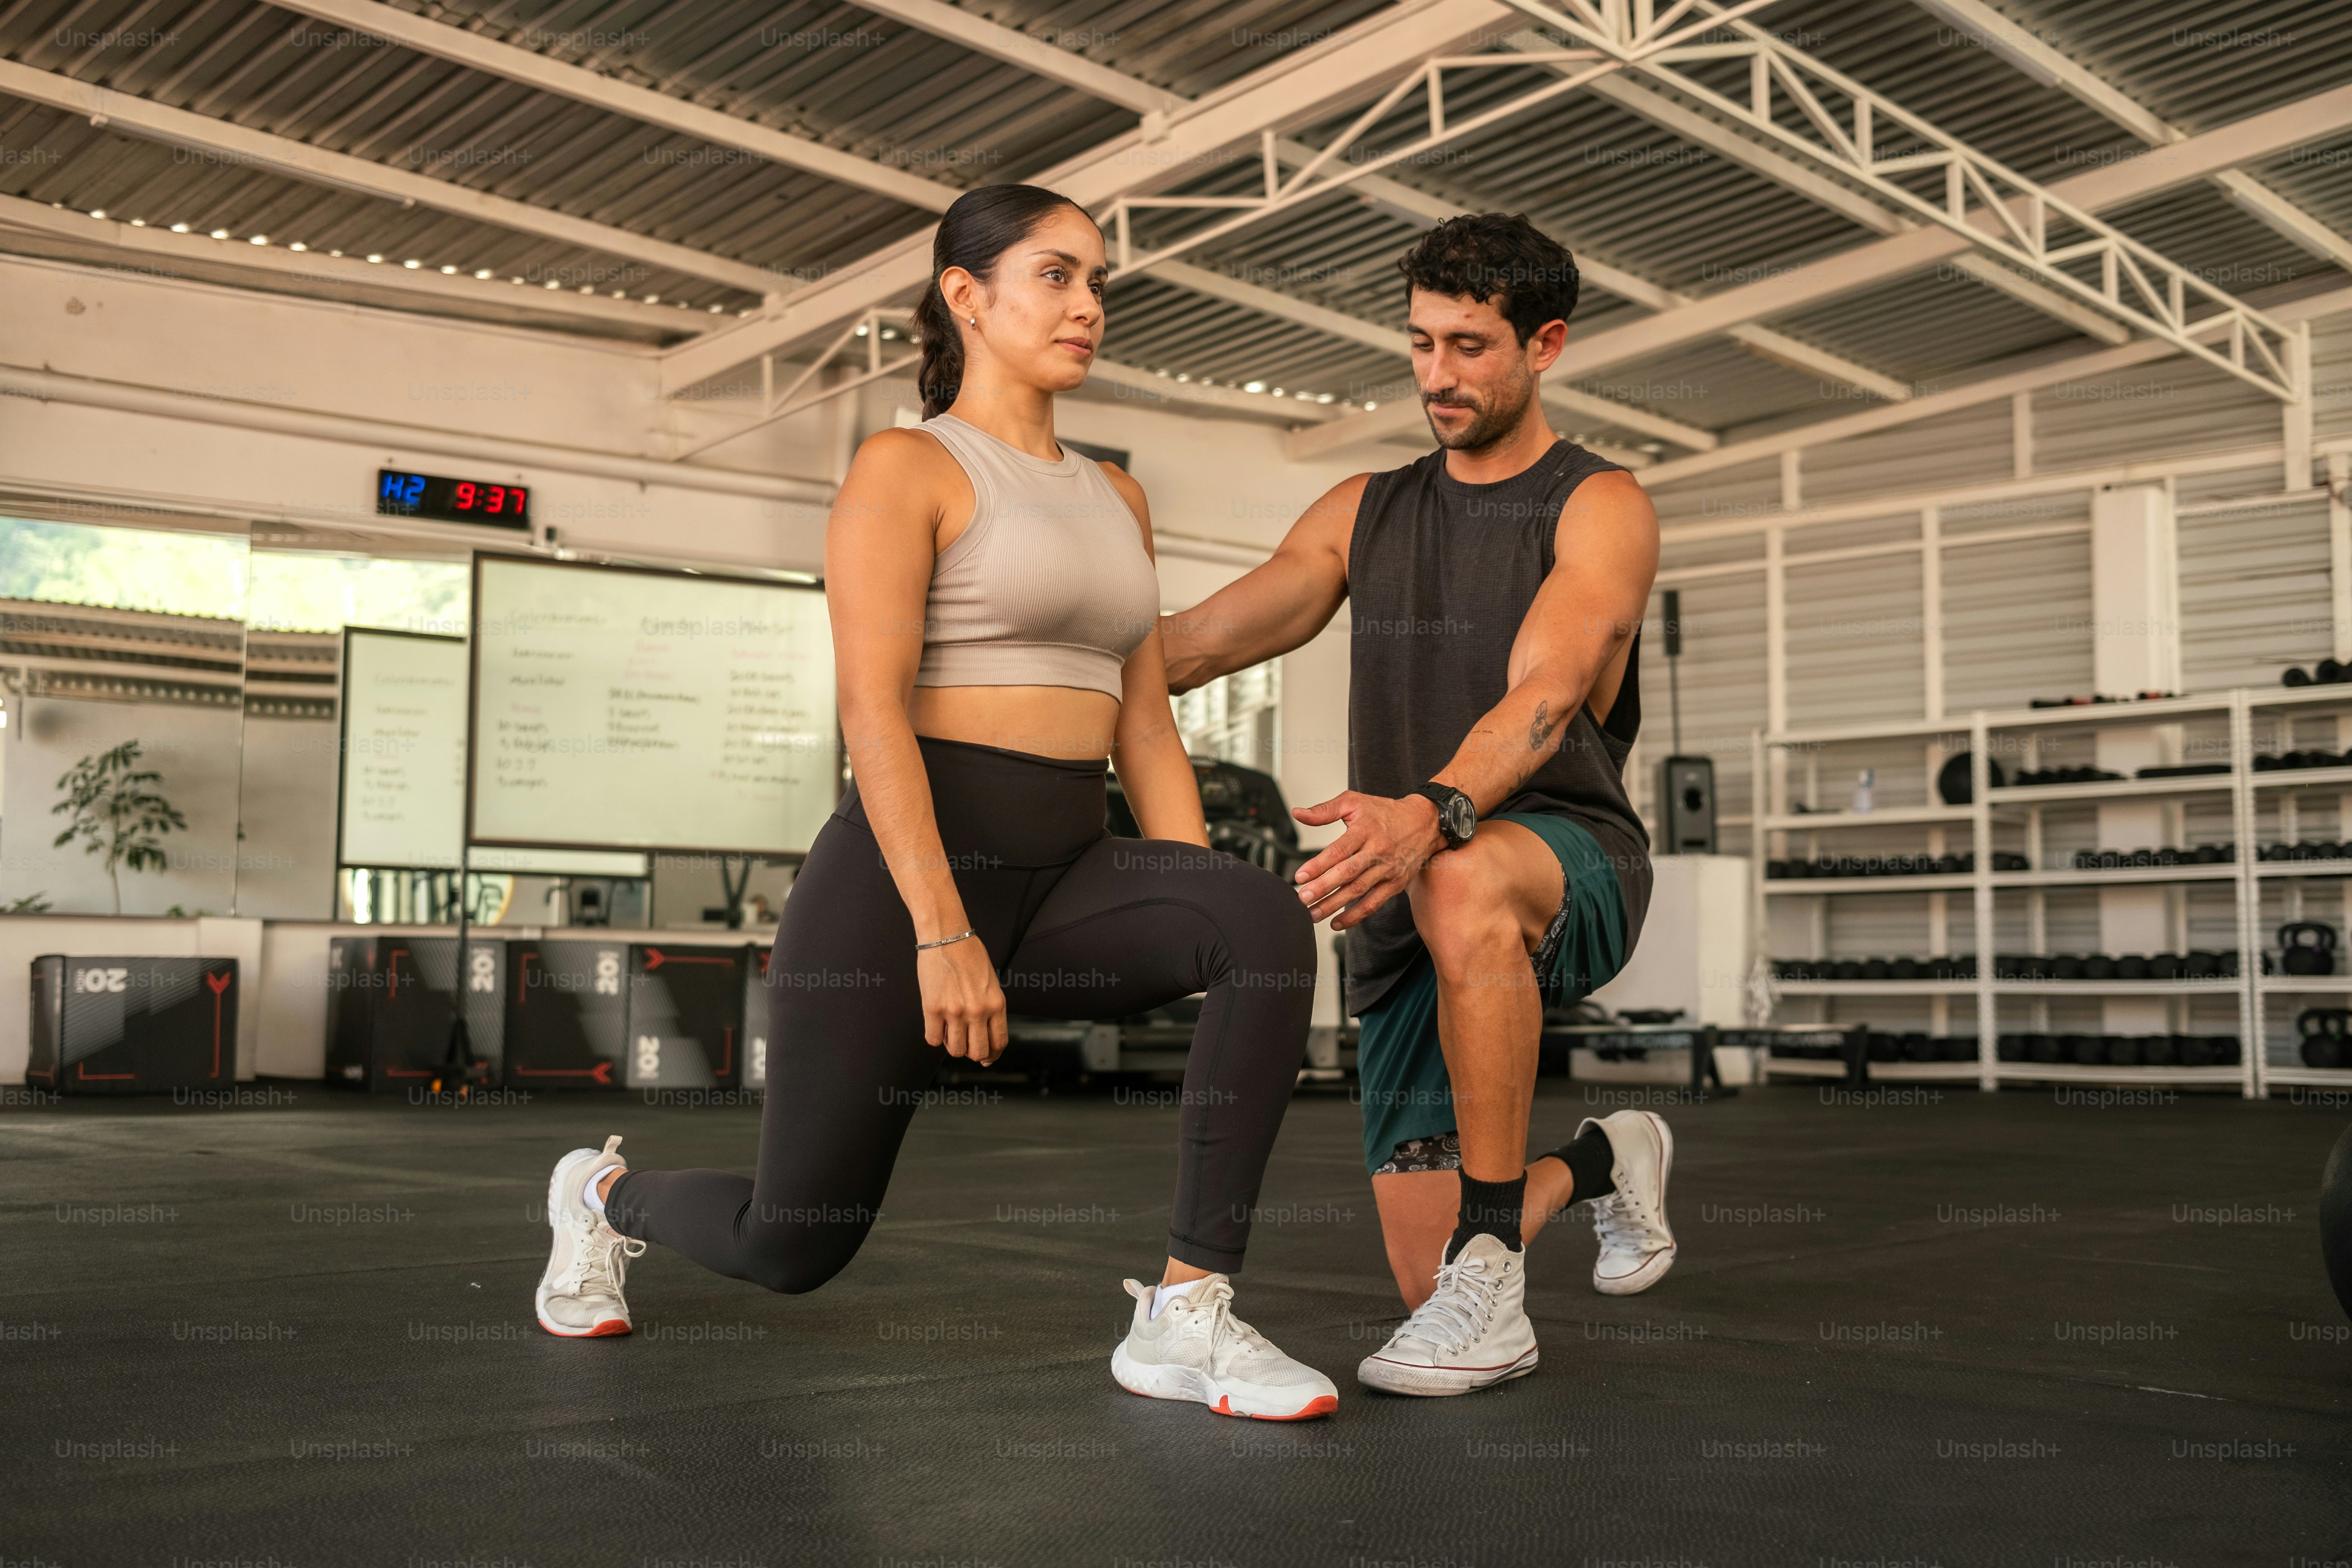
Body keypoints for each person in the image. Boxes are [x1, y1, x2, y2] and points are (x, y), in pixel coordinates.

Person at [532, 185, 1338, 1422]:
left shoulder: (1116, 498)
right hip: (899, 889)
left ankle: (1186, 1317)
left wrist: (1195, 892)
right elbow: (872, 712)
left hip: (1069, 865)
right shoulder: (908, 466)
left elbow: (1143, 717)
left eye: (1099, 281)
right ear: (968, 296)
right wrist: (942, 929)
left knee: (1263, 921)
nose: (1089, 305)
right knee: (790, 1243)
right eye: (1057, 275)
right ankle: (601, 1199)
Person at [1159, 212, 1675, 1397]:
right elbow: (1189, 647)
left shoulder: (1600, 504)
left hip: (1563, 858)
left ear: (1545, 344)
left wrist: (1432, 809)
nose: (1438, 375)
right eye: (1420, 342)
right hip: (1406, 895)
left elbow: (1547, 697)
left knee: (1458, 867)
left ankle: (1494, 1261)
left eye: (1471, 347)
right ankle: (1601, 1160)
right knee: (1416, 1278)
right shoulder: (1363, 511)